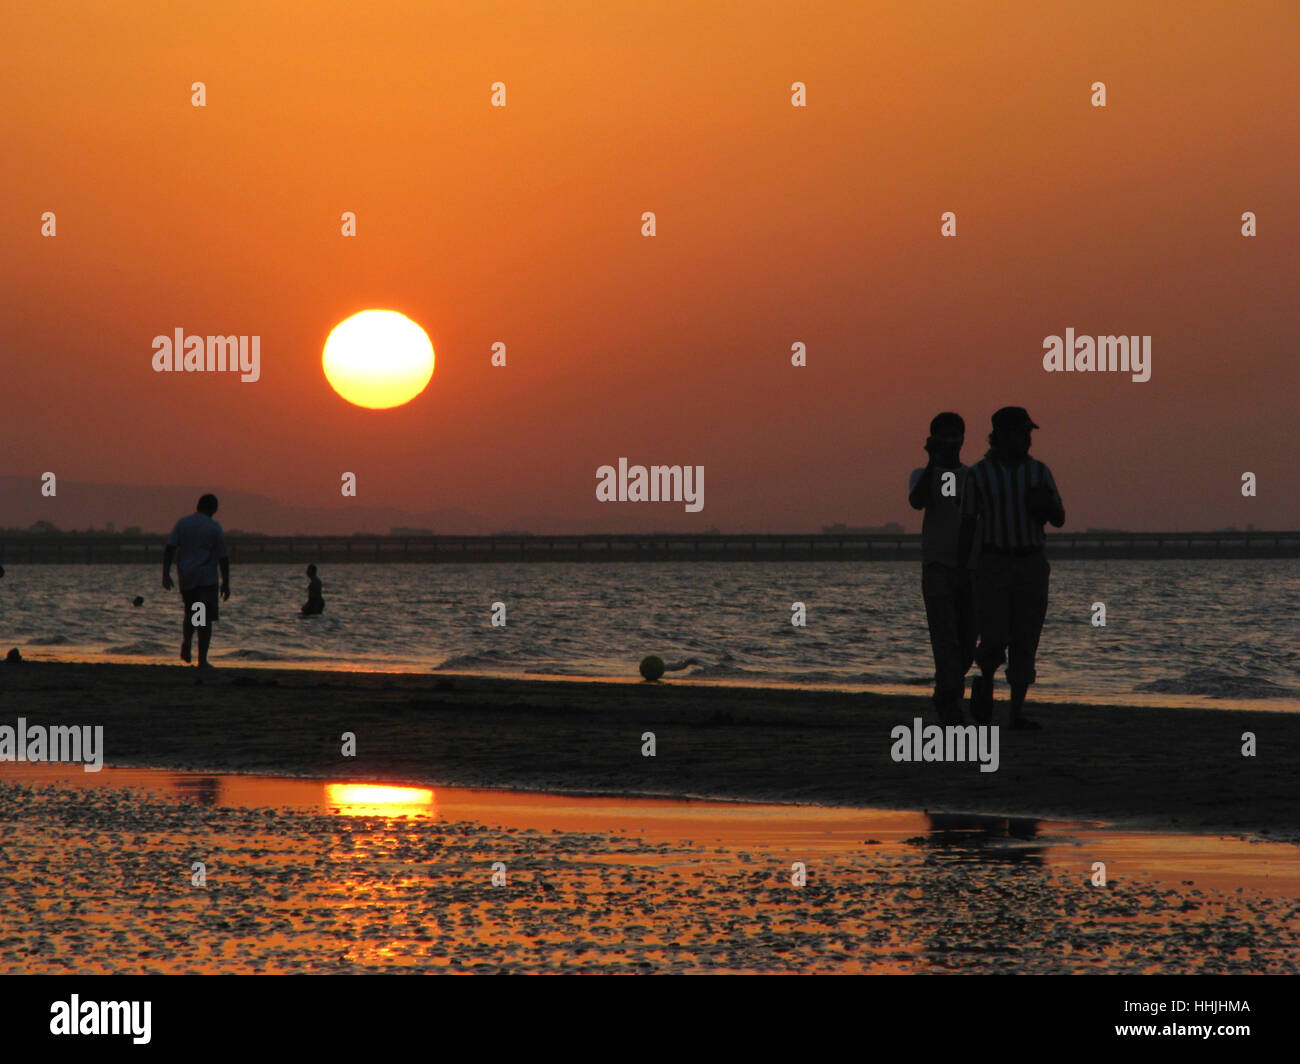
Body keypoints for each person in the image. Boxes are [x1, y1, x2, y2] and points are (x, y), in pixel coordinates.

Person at [958, 407, 1064, 730]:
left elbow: (1059, 517)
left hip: (1030, 561)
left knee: (1026, 637)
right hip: (994, 562)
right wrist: (965, 569)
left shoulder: (1040, 472)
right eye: (1021, 433)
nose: (1027, 440)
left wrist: (1043, 505)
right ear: (1002, 435)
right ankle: (986, 683)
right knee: (992, 635)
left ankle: (1015, 711)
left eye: (1028, 433)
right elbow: (967, 524)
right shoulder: (978, 475)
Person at [908, 412, 977, 724]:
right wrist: (933, 461)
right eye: (944, 437)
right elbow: (917, 500)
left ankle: (945, 693)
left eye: (955, 436)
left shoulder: (973, 477)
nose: (951, 442)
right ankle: (950, 705)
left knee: (966, 642)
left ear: (963, 438)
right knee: (945, 638)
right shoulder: (922, 474)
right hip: (937, 567)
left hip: (969, 568)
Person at [162, 494, 230, 667]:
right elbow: (223, 557)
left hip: (187, 575)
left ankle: (187, 639)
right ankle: (202, 658)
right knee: (203, 618)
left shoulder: (183, 523)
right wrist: (226, 582)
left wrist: (165, 573)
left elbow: (170, 548)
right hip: (206, 577)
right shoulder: (213, 527)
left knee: (192, 612)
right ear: (213, 509)